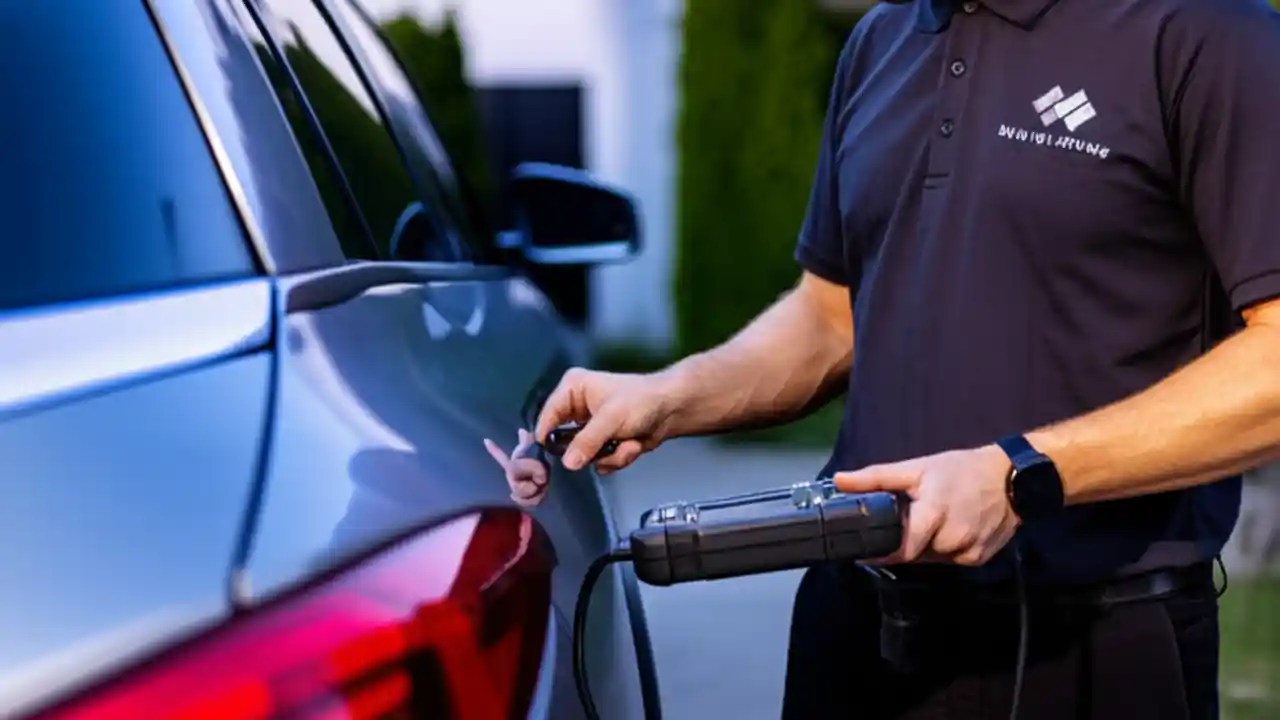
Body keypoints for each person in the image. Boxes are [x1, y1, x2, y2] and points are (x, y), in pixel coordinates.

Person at [534, 0, 1280, 716]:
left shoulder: (1209, 33)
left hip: (1087, 640)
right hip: (855, 628)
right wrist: (670, 393)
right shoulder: (880, 41)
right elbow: (831, 318)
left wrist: (1020, 473)